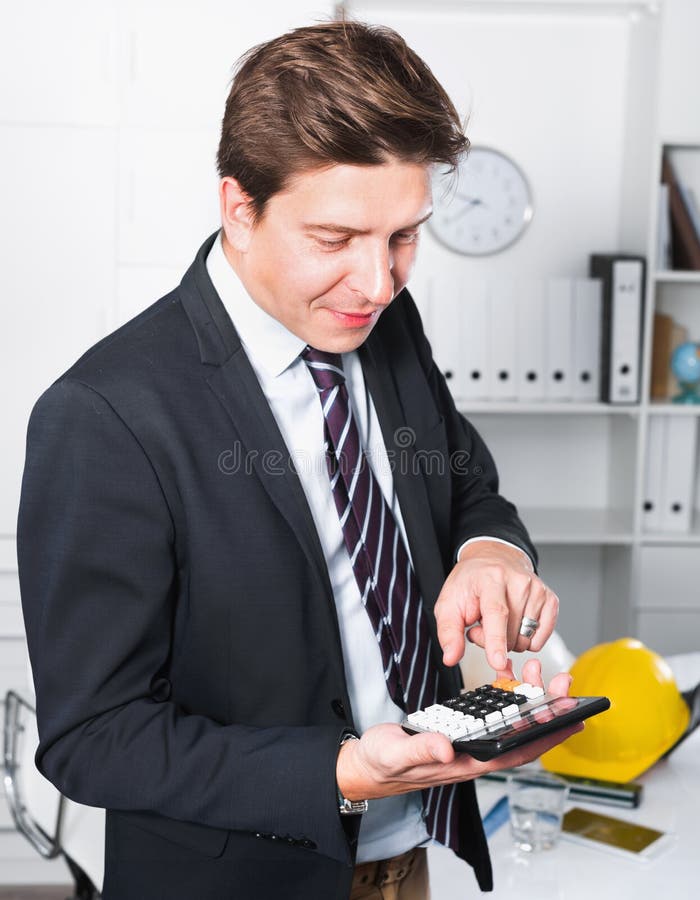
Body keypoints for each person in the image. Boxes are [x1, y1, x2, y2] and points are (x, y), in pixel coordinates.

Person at [17, 20, 575, 900]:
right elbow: (94, 738)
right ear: (240, 208)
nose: (378, 284)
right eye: (335, 240)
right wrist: (342, 771)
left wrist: (489, 553)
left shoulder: (387, 325)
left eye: (403, 237)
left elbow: (463, 481)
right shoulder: (104, 416)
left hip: (411, 854)